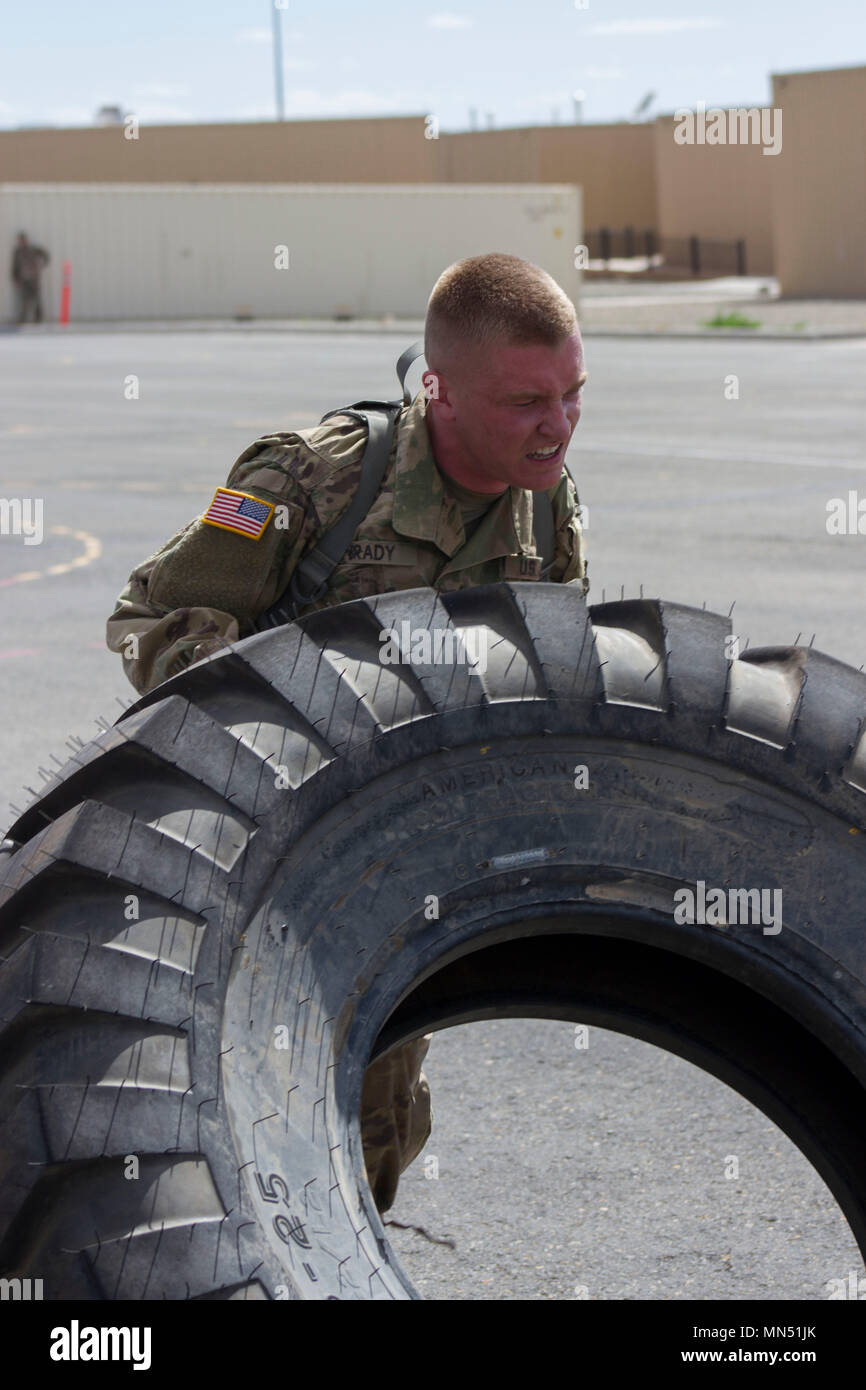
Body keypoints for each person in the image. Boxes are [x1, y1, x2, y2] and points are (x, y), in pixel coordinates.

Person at [105, 251, 589, 1214]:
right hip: (256, 864)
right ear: (440, 389)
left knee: (375, 1116)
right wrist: (285, 733)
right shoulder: (314, 480)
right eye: (528, 401)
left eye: (575, 393)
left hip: (408, 866)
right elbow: (150, 620)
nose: (560, 425)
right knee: (226, 1111)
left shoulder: (548, 503)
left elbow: (553, 675)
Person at [11, 232, 50, 324]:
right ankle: (23, 318)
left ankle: (38, 318)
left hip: (34, 279)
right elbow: (14, 266)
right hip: (24, 279)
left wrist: (42, 264)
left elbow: (45, 255)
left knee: (36, 298)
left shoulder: (33, 249)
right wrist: (15, 278)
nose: (22, 242)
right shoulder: (18, 252)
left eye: (23, 240)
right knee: (24, 299)